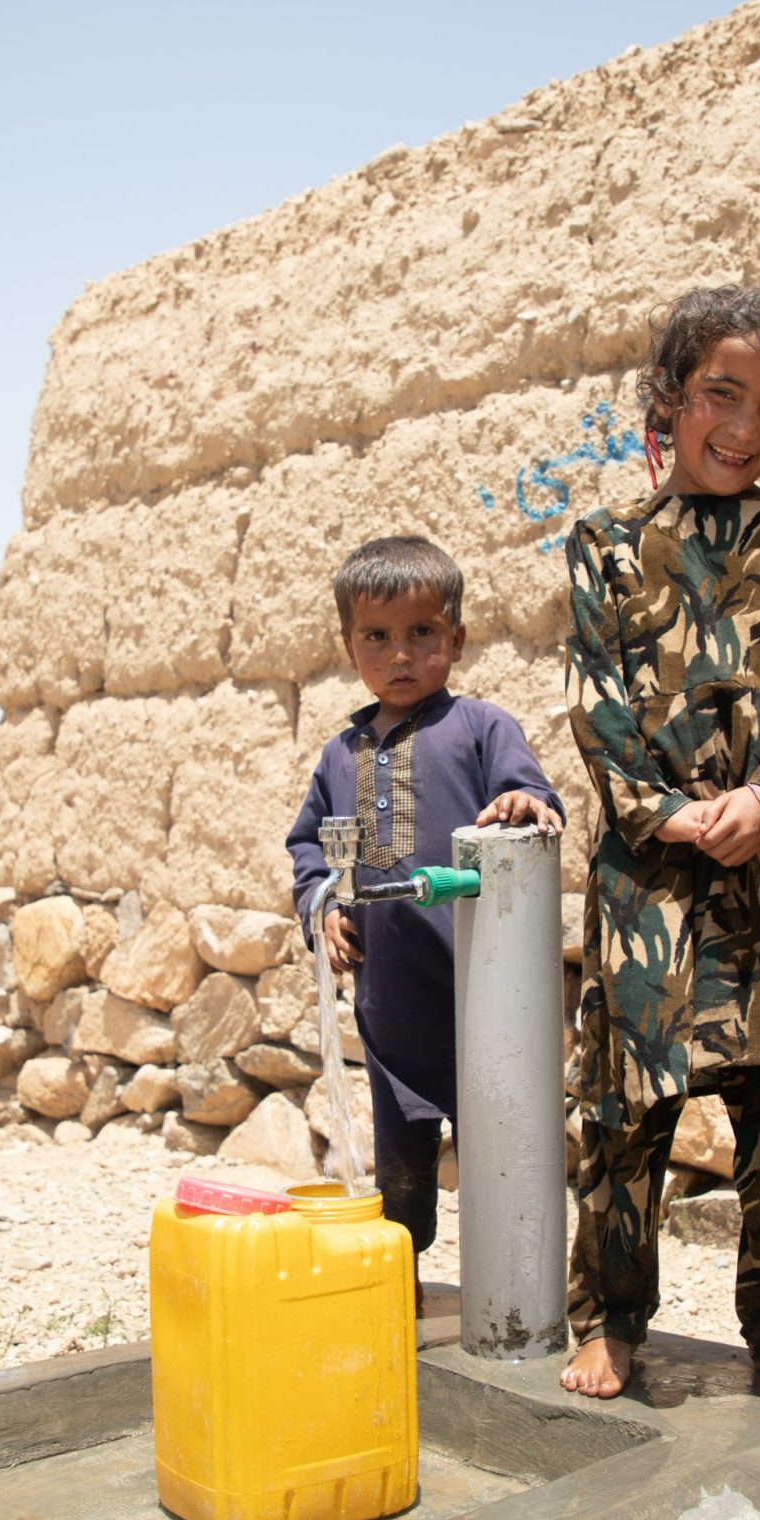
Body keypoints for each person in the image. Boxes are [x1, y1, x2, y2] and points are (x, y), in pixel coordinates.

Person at [558, 285, 760, 1413]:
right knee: (629, 1111)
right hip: (655, 876)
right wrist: (673, 816)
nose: (743, 426)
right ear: (670, 401)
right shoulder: (605, 546)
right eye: (721, 394)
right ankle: (612, 1320)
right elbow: (596, 701)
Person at [286, 536, 564, 1281]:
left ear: (456, 638)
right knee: (400, 1176)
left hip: (480, 997)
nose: (399, 654)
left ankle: (510, 1299)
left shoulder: (479, 727)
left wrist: (521, 801)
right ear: (349, 646)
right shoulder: (339, 755)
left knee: (498, 1163)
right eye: (377, 637)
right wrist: (322, 909)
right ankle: (395, 1302)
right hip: (392, 1006)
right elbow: (308, 850)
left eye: (421, 634)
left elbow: (538, 801)